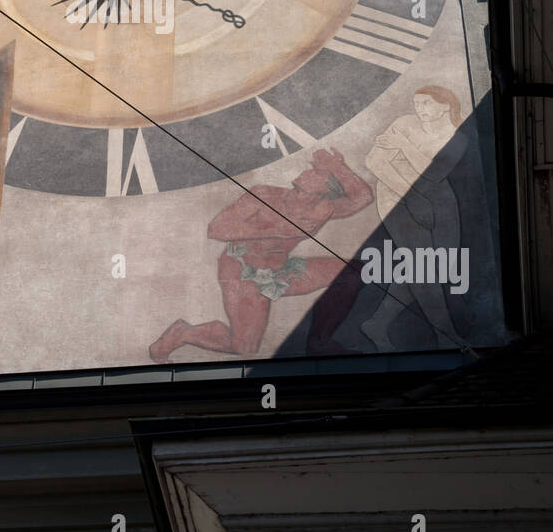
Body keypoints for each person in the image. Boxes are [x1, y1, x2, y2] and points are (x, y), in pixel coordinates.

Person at [149, 148, 373, 363]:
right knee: (243, 347)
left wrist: (339, 167)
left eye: (304, 193)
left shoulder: (322, 210)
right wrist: (275, 229)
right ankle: (183, 333)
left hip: (280, 270)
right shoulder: (264, 195)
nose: (295, 195)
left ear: (322, 196)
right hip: (242, 271)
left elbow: (362, 197)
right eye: (296, 187)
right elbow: (217, 228)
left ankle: (320, 343)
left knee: (354, 273)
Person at [360, 85, 469, 350]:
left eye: (426, 103)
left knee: (440, 264)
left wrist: (403, 146)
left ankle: (377, 322)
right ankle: (446, 336)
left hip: (439, 195)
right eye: (416, 104)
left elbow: (432, 175)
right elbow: (374, 161)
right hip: (394, 193)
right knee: (422, 266)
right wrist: (411, 197)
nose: (419, 109)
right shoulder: (405, 123)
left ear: (445, 106)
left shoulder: (457, 139)